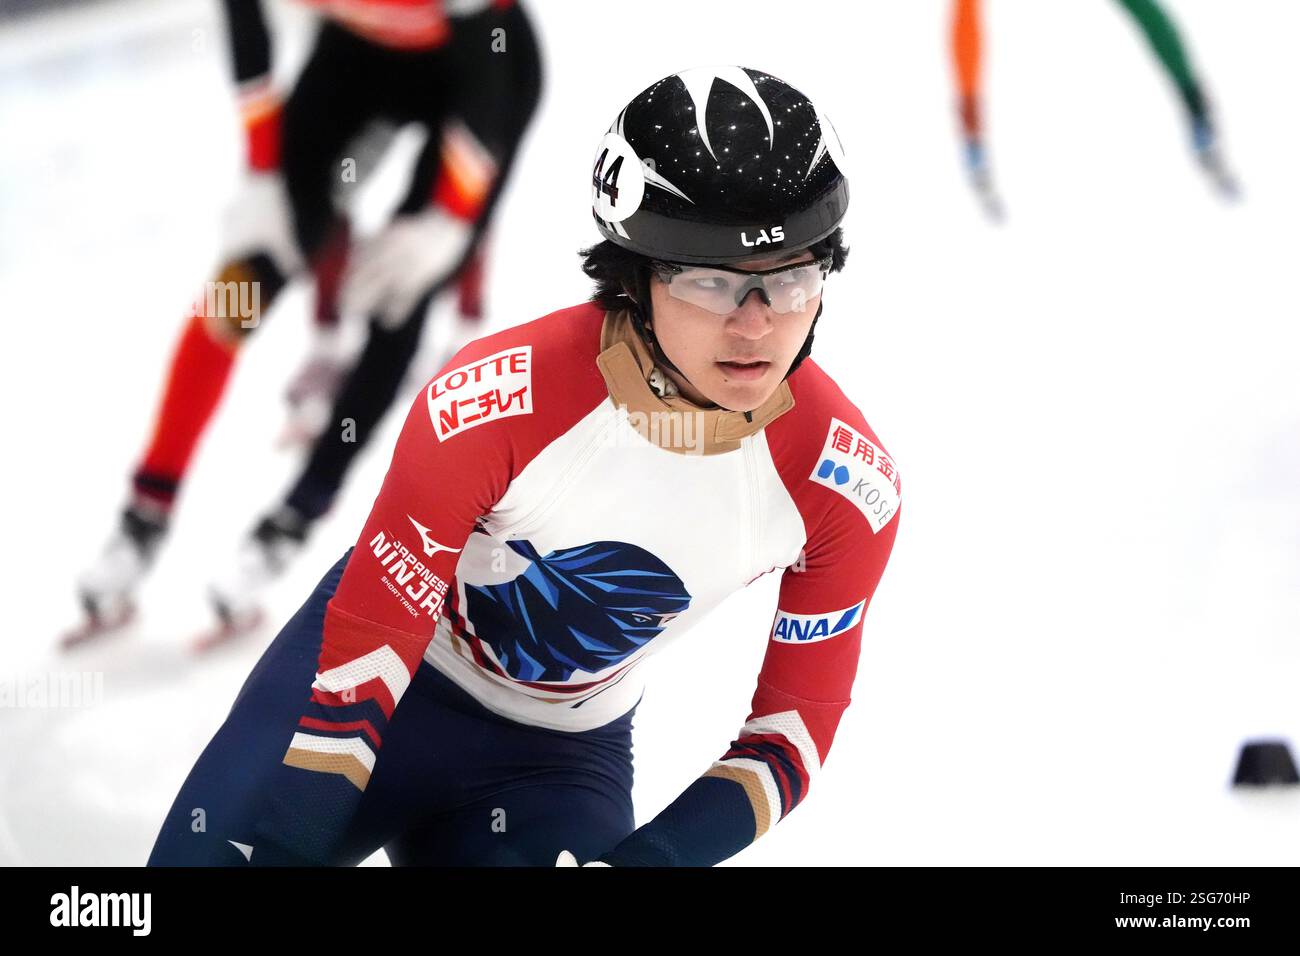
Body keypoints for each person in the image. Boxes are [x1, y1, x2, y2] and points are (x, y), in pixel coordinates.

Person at [147, 65, 901, 867]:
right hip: (377, 680)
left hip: (555, 766)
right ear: (637, 278)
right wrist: (287, 844)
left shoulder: (845, 486)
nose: (755, 327)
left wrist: (651, 861)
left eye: (789, 280)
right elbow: (372, 643)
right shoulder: (495, 399)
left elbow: (792, 734)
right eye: (711, 283)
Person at [70, 0, 542, 642]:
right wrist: (264, 172)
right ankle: (146, 510)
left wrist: (453, 216)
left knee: (401, 292)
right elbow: (244, 17)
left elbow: (491, 46)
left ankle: (294, 517)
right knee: (250, 270)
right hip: (360, 53)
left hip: (484, 63)